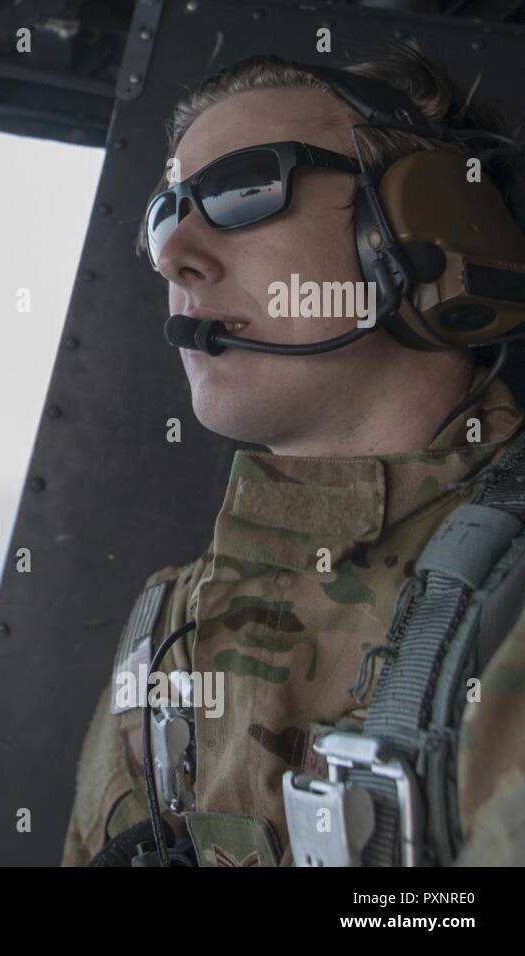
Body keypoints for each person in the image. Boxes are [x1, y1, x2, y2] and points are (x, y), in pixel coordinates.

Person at [60, 45, 525, 867]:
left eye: (242, 191)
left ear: (419, 227)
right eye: (166, 215)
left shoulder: (506, 608)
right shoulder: (166, 628)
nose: (174, 256)